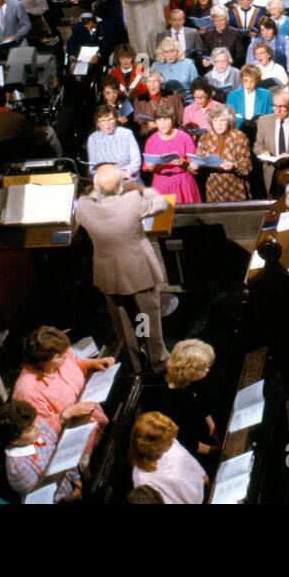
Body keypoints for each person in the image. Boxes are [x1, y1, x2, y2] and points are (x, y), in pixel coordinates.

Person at [74, 165, 172, 370]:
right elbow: (161, 203)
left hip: (108, 274)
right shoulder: (132, 200)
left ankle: (135, 363)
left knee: (124, 322)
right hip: (138, 271)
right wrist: (141, 188)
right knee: (147, 317)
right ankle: (157, 360)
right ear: (121, 185)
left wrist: (98, 186)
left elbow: (87, 203)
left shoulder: (83, 206)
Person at [11, 326, 110, 447]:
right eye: (59, 356)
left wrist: (91, 363)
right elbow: (41, 433)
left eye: (66, 351)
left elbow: (73, 362)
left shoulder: (60, 354)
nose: (66, 356)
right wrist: (66, 415)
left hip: (98, 422)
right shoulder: (28, 392)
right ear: (43, 361)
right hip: (78, 444)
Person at [0, 400, 81, 503]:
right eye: (29, 430)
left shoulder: (39, 427)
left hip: (71, 486)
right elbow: (40, 497)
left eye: (35, 421)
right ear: (14, 440)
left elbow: (63, 454)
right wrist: (69, 498)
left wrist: (76, 480)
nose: (38, 427)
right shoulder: (17, 467)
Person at [156, 339, 219, 467]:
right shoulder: (172, 402)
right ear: (189, 371)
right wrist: (214, 450)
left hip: (200, 429)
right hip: (192, 450)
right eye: (202, 369)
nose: (207, 370)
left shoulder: (191, 380)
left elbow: (202, 403)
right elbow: (186, 441)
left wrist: (212, 428)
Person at [128, 411, 208, 504]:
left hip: (203, 490)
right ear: (152, 448)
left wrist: (207, 480)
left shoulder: (168, 440)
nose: (172, 442)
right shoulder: (143, 479)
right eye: (167, 442)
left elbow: (189, 459)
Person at [194, 103, 253, 202]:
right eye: (215, 120)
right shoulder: (205, 137)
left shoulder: (239, 137)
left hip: (235, 185)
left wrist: (234, 165)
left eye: (222, 120)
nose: (218, 124)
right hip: (212, 186)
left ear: (229, 121)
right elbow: (199, 161)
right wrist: (195, 166)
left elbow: (247, 166)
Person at [144, 105, 200, 204]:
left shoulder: (184, 137)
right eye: (159, 120)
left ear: (172, 120)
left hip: (182, 183)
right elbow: (147, 166)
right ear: (155, 122)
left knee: (187, 218)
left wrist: (184, 163)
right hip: (160, 184)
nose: (163, 124)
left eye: (166, 120)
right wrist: (150, 167)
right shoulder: (151, 140)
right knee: (164, 218)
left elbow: (194, 165)